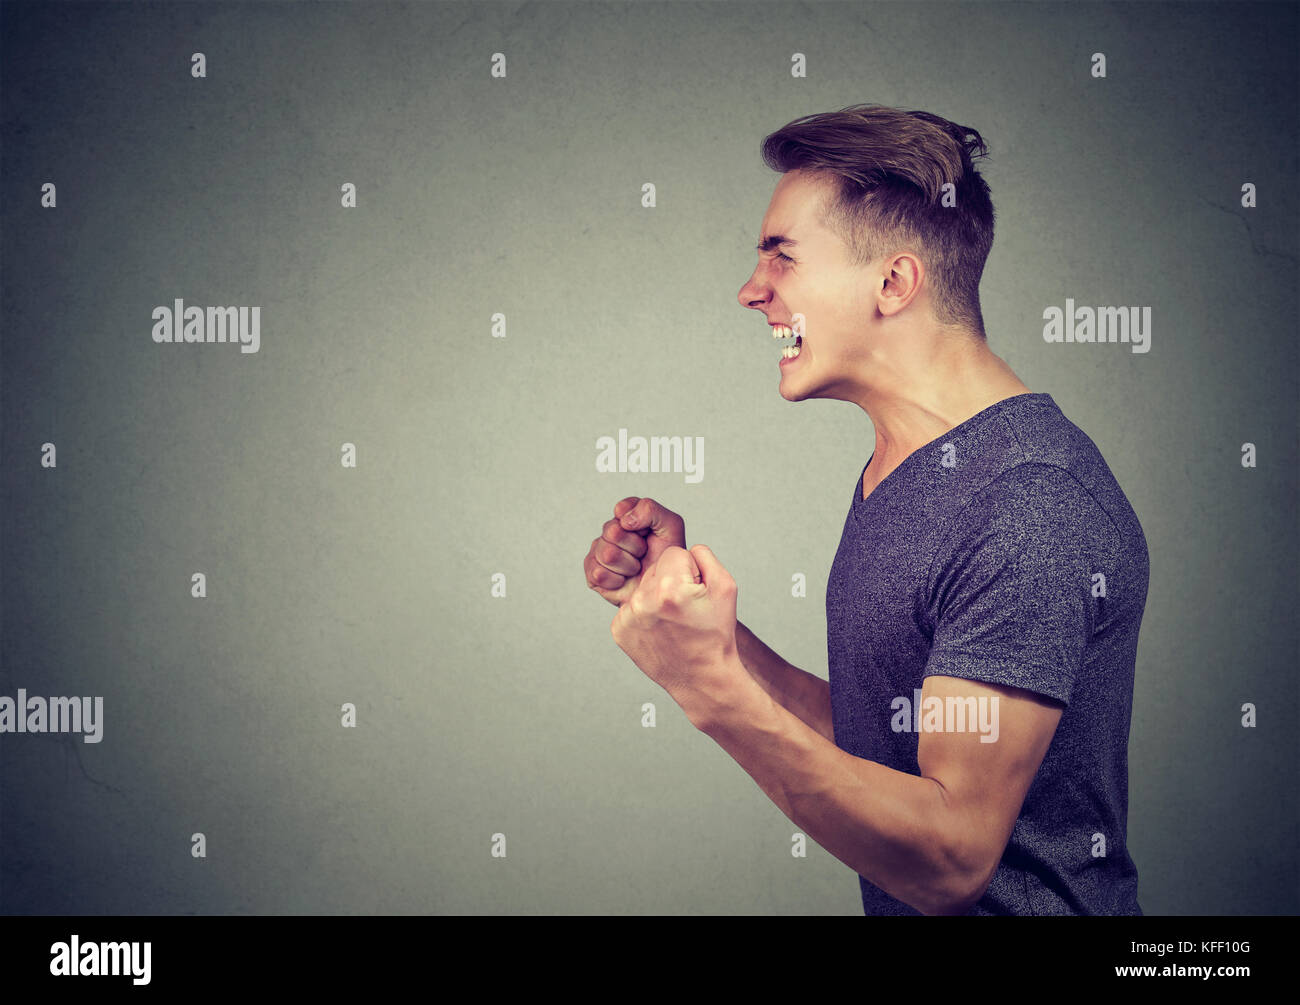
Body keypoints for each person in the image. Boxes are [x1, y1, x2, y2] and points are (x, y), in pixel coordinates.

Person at [583, 104, 1148, 915]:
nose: (752, 292)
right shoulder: (908, 468)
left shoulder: (1027, 503)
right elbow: (879, 744)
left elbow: (952, 859)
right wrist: (708, 637)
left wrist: (714, 692)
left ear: (893, 282)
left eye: (781, 258)